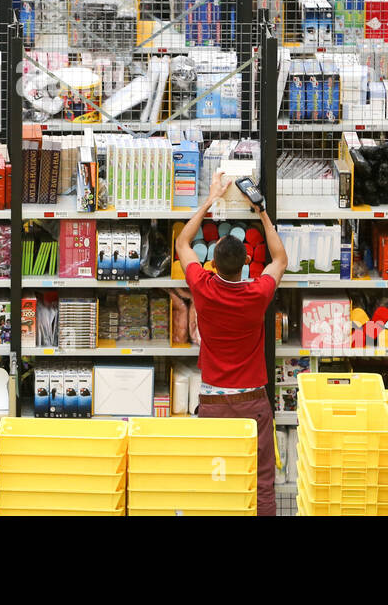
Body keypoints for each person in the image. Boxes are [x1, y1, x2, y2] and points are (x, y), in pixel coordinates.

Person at [174, 172, 288, 517]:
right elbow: (280, 259)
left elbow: (182, 243)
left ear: (213, 264)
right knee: (262, 479)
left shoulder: (203, 287)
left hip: (213, 400)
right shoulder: (257, 293)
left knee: (216, 479)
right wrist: (262, 212)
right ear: (246, 266)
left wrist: (209, 200)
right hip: (253, 400)